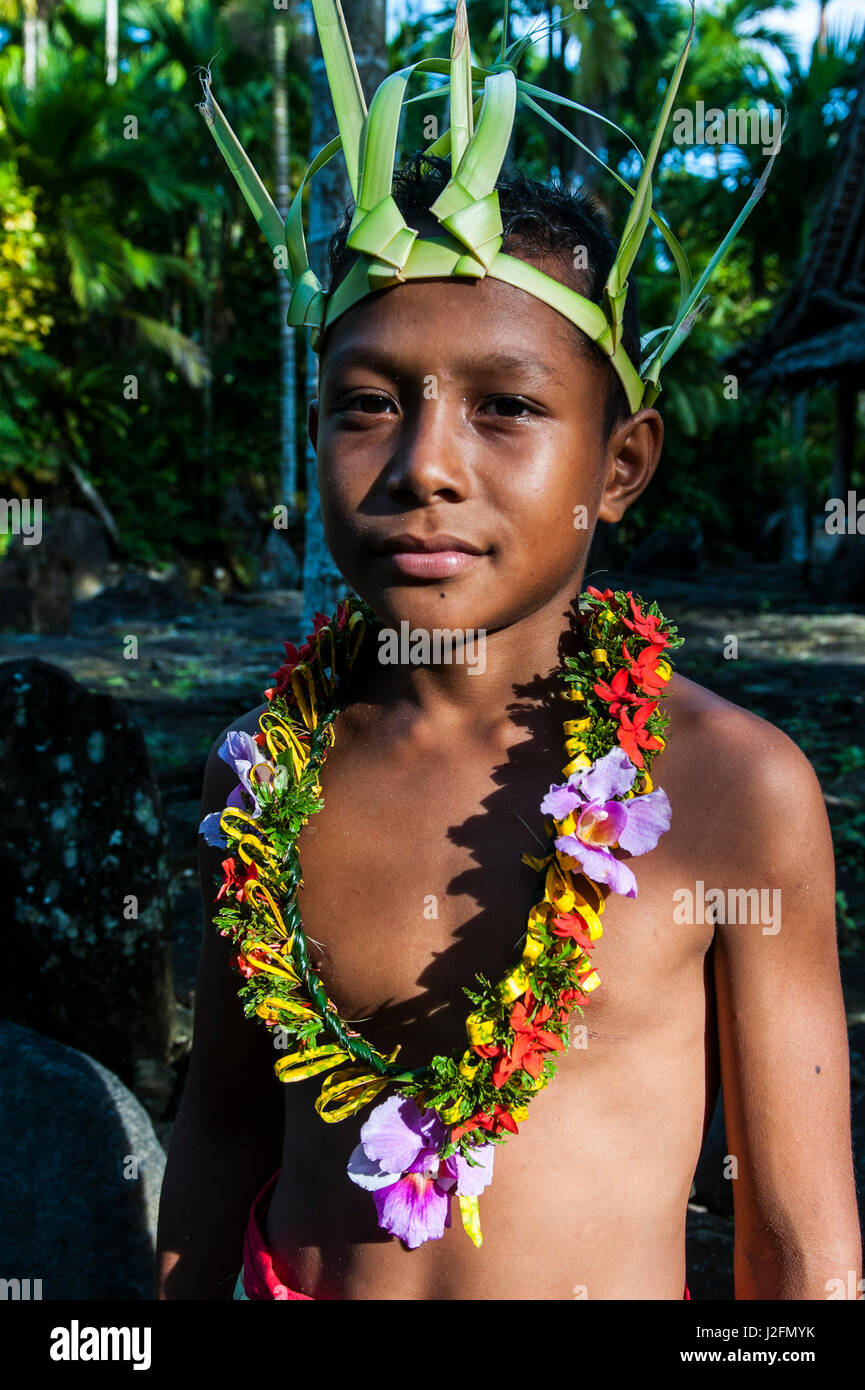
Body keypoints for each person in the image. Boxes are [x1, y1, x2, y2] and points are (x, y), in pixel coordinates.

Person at [155, 143, 860, 1299]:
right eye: (368, 405)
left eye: (507, 407)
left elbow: (797, 1244)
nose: (425, 464)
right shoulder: (261, 779)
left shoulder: (732, 790)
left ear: (620, 462)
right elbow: (226, 1133)